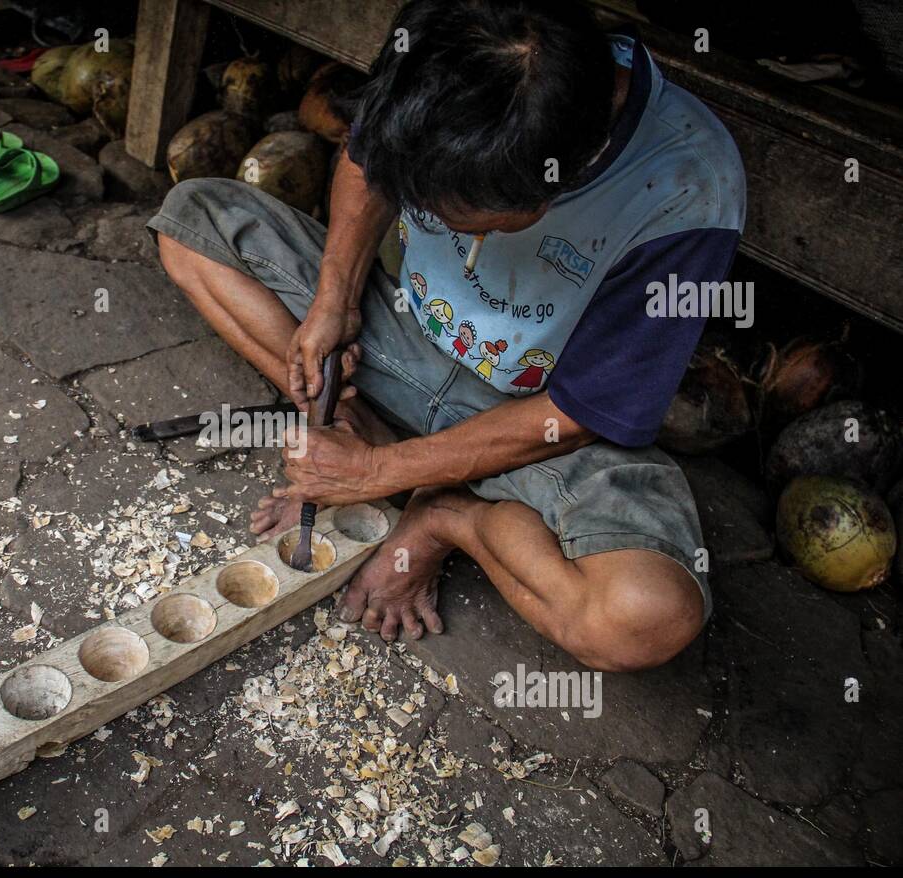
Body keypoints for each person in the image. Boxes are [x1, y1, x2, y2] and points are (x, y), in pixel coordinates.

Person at [148, 0, 745, 671]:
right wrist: (334, 299)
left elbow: (576, 415)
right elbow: (368, 157)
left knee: (643, 618)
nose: (443, 233)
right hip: (396, 333)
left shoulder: (689, 189)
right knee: (191, 222)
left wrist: (381, 475)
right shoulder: (449, 44)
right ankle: (350, 427)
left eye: (462, 218)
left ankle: (447, 514)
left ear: (556, 183)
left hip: (532, 423)